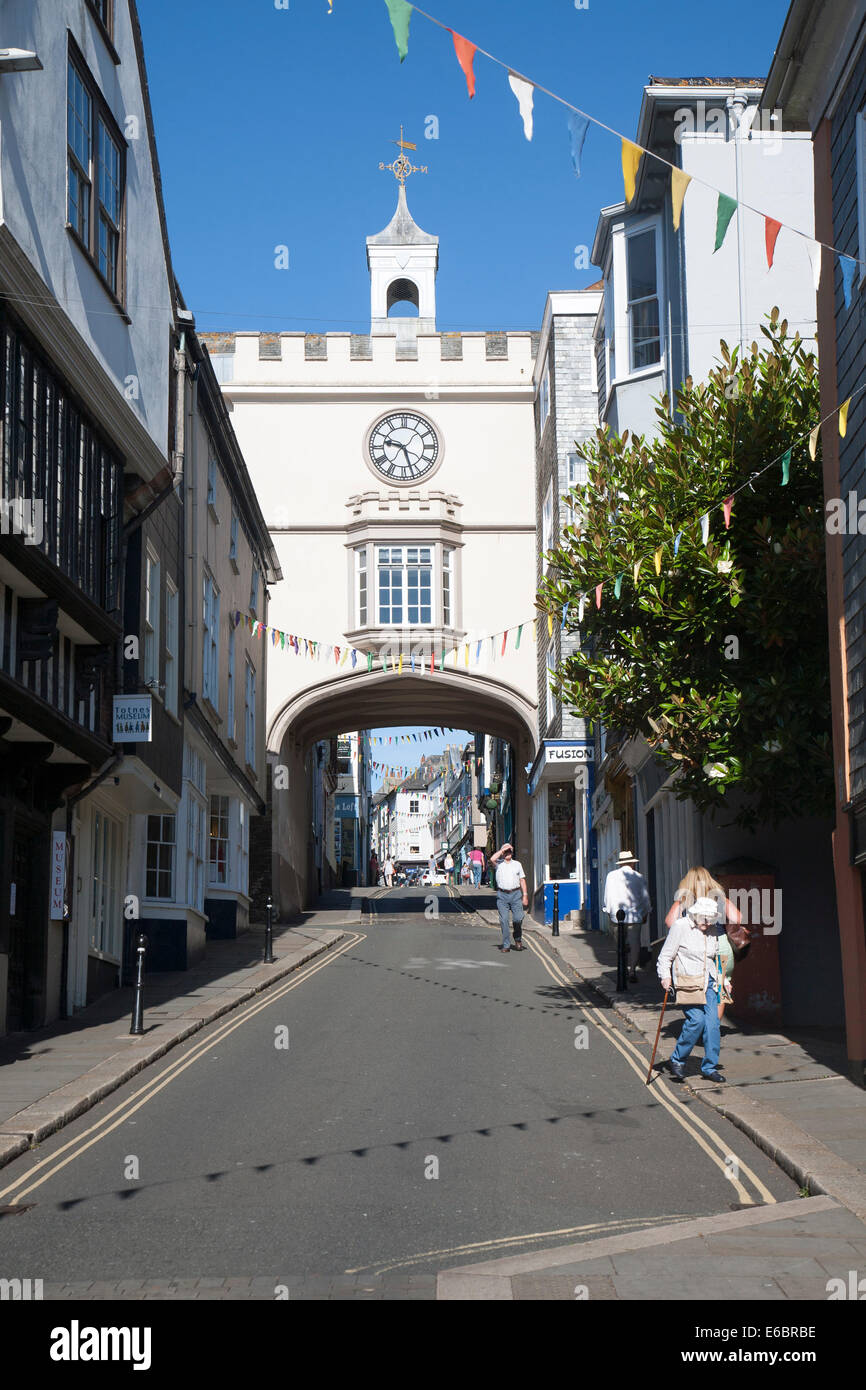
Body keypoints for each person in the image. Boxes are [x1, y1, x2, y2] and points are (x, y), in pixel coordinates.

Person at [657, 895, 730, 1082]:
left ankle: (709, 1067)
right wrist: (665, 977)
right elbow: (665, 956)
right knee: (696, 1021)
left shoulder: (712, 929)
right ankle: (678, 1059)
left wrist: (724, 980)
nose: (707, 923)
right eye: (704, 918)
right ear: (695, 914)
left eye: (711, 919)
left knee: (713, 1025)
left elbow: (715, 959)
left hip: (710, 983)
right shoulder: (680, 926)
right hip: (688, 984)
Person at [664, 867, 746, 1021]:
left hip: (693, 951)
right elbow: (737, 918)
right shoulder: (718, 898)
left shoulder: (685, 900)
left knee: (695, 987)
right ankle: (713, 1027)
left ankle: (701, 1025)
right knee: (720, 989)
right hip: (721, 947)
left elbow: (670, 922)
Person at [602, 850, 651, 981]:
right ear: (632, 863)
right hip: (635, 917)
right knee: (635, 944)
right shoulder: (639, 877)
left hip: (616, 917)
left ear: (620, 864)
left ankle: (622, 969)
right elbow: (645, 898)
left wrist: (609, 912)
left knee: (620, 944)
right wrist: (645, 913)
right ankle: (632, 971)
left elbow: (607, 897)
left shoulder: (611, 876)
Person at [489, 843, 529, 952]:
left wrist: (525, 895)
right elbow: (492, 859)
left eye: (509, 851)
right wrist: (502, 850)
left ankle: (517, 938)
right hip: (502, 896)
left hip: (516, 894)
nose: (508, 853)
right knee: (504, 920)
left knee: (518, 919)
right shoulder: (498, 864)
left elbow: (522, 880)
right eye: (506, 852)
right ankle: (506, 945)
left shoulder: (517, 864)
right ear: (502, 853)